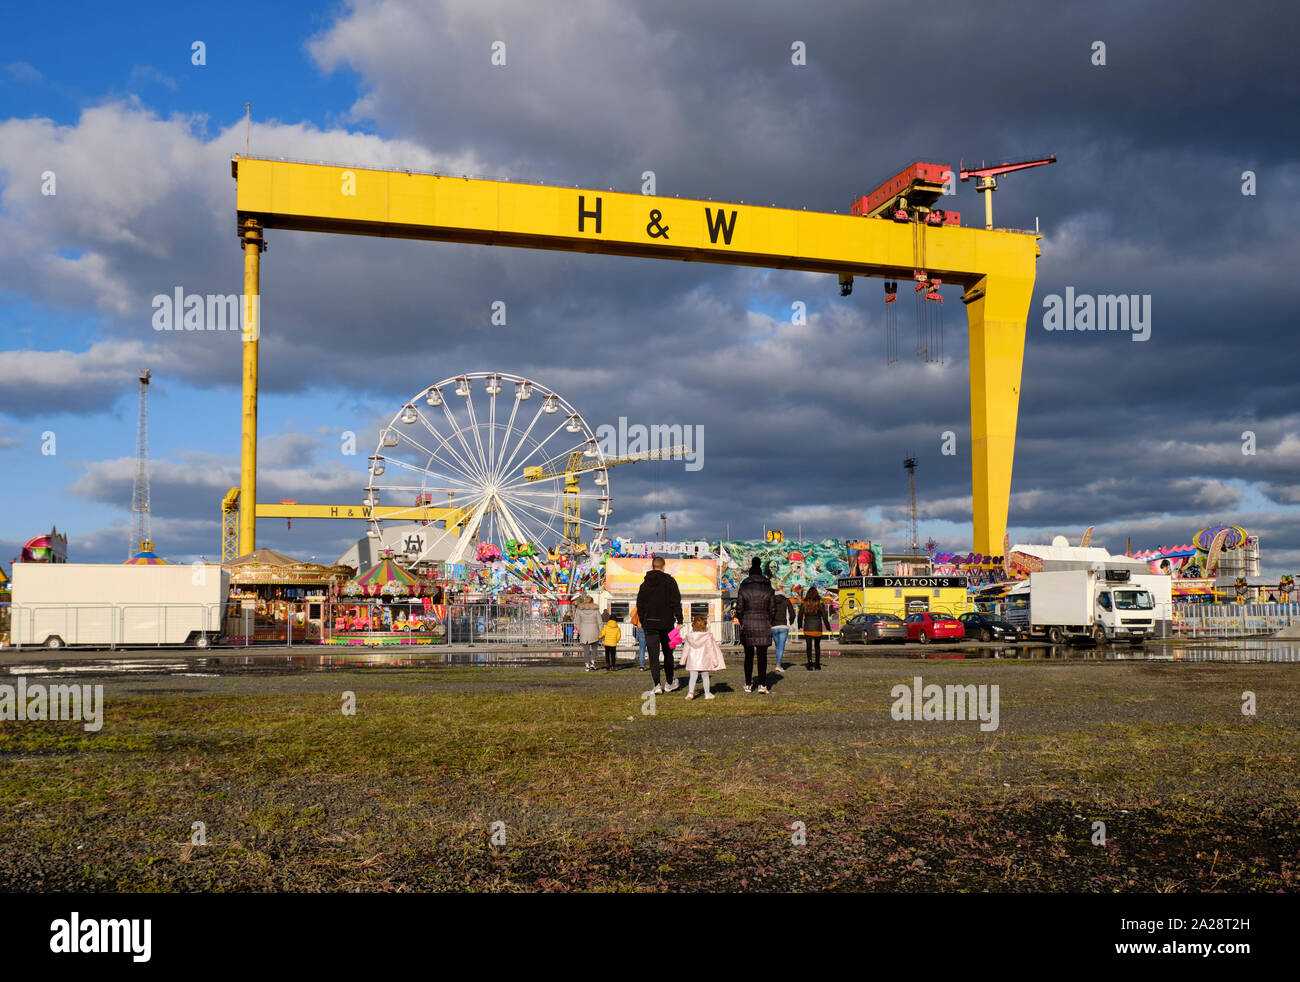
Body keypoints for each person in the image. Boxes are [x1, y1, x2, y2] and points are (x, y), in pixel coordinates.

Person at [635, 556, 684, 693]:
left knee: (653, 655)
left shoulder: (644, 585)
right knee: (668, 654)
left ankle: (657, 685)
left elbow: (640, 605)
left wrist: (644, 621)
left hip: (650, 625)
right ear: (664, 566)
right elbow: (676, 602)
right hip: (667, 624)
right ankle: (669, 683)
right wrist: (679, 620)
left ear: (652, 567)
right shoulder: (670, 582)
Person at [735, 556, 775, 694]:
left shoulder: (743, 587)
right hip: (763, 623)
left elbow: (739, 609)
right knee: (762, 656)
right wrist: (767, 620)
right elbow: (772, 609)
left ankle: (748, 683)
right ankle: (762, 684)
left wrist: (743, 621)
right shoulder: (768, 587)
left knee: (748, 656)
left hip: (748, 624)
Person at [677, 613, 725, 700]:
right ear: (704, 625)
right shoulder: (707, 636)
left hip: (693, 661)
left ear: (693, 625)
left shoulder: (689, 636)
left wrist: (682, 660)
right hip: (704, 660)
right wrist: (715, 661)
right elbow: (711, 649)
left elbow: (686, 649)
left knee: (692, 677)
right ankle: (707, 694)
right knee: (705, 677)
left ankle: (690, 693)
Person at [799, 586, 830, 670]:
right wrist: (828, 627)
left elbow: (800, 616)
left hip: (808, 627)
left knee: (809, 646)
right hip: (817, 627)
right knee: (817, 646)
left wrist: (799, 625)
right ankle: (817, 664)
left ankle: (809, 664)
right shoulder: (820, 603)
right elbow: (824, 617)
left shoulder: (804, 603)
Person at [771, 578, 795, 674]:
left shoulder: (771, 601)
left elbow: (769, 612)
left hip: (773, 626)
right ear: (782, 590)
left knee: (777, 646)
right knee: (781, 647)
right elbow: (792, 613)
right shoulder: (786, 601)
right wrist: (790, 622)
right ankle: (778, 664)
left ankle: (778, 662)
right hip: (783, 626)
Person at [574, 594, 602, 671]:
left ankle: (587, 665)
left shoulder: (579, 611)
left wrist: (580, 629)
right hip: (594, 630)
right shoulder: (596, 611)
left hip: (584, 631)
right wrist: (600, 631)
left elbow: (577, 622)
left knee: (586, 649)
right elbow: (600, 622)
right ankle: (592, 663)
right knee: (594, 648)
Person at [630, 604, 647, 670]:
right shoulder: (651, 605)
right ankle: (653, 664)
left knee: (642, 648)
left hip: (640, 626)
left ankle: (642, 666)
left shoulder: (639, 606)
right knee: (652, 648)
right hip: (650, 627)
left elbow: (631, 614)